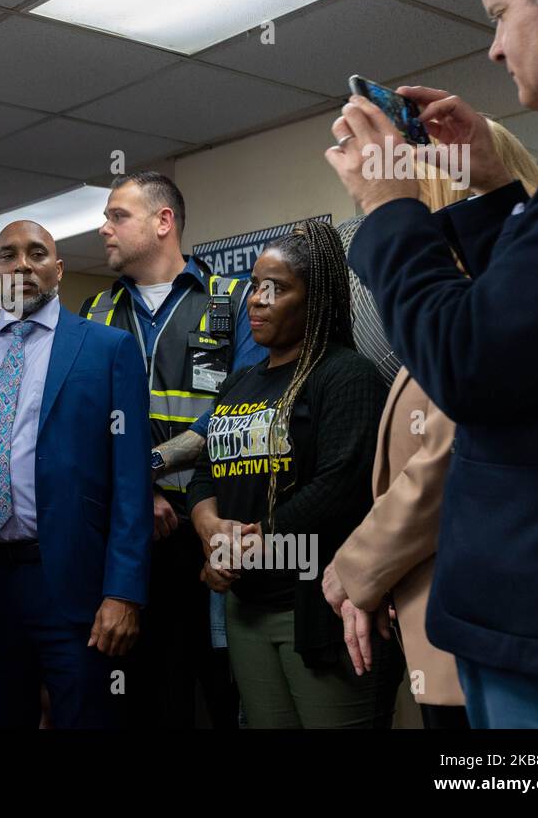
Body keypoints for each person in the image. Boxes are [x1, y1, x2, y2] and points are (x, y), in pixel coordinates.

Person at [326, 0, 538, 727]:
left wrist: (389, 208)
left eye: (498, 12)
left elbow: (471, 361)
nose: (493, 46)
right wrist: (495, 195)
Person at [0, 220, 152, 728]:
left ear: (58, 268)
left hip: (75, 585)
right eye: (8, 255)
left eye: (36, 254)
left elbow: (132, 485)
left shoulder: (107, 349)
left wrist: (124, 592)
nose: (22, 265)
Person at [186, 220, 401, 728]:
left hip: (319, 607)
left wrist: (255, 542)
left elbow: (341, 486)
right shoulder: (239, 382)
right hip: (246, 609)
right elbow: (205, 472)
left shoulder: (346, 375)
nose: (256, 301)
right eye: (255, 286)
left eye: (276, 288)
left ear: (316, 300)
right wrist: (210, 531)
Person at [83, 170, 265, 729]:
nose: (104, 229)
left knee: (218, 690)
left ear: (164, 222)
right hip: (125, 536)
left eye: (118, 216)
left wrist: (148, 471)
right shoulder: (95, 312)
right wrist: (138, 493)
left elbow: (244, 410)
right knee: (138, 693)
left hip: (213, 532)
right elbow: (87, 424)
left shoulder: (235, 301)